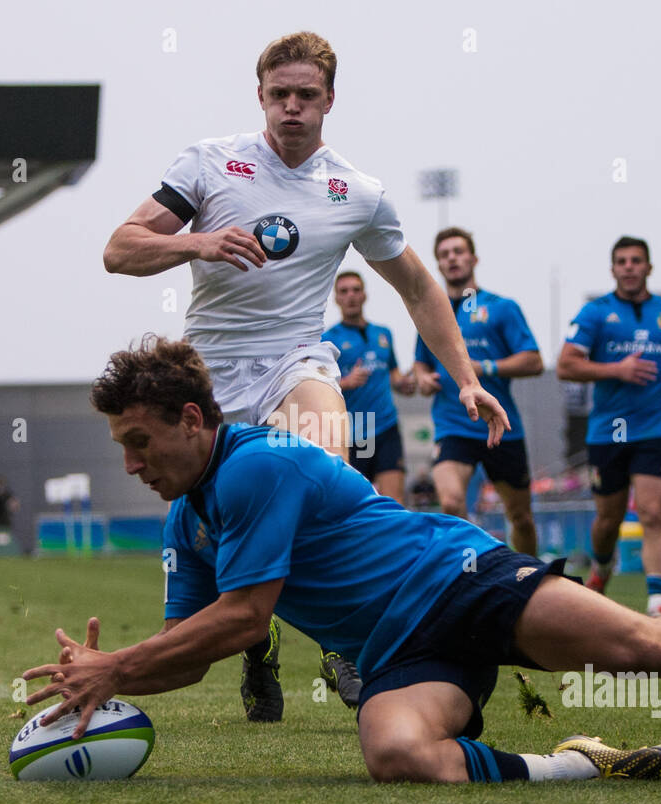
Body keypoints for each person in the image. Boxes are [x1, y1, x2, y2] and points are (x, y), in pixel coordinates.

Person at [20, 337, 661, 786]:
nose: (131, 463)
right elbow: (191, 646)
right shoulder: (186, 519)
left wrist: (119, 666)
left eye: (140, 441)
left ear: (194, 418)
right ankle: (584, 766)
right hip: (402, 655)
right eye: (122, 446)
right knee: (395, 755)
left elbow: (243, 620)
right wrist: (109, 677)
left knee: (643, 651)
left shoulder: (257, 465)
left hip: (458, 581)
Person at [102, 32, 508, 722]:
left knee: (326, 475)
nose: (292, 107)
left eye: (306, 96)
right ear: (260, 95)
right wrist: (196, 240)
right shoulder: (209, 165)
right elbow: (120, 250)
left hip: (297, 359)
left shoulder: (358, 191)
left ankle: (342, 644)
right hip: (205, 376)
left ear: (328, 100)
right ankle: (256, 642)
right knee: (223, 521)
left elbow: (417, 287)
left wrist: (464, 377)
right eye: (279, 94)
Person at [556, 236, 661, 616]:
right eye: (622, 261)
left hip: (657, 426)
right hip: (609, 431)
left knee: (654, 512)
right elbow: (566, 365)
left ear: (648, 267)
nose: (629, 266)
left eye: (636, 260)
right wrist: (616, 370)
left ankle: (658, 603)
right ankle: (603, 566)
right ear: (613, 269)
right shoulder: (595, 313)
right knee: (609, 520)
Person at [412, 227, 543, 555]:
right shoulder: (431, 311)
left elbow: (534, 360)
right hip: (453, 425)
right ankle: (474, 573)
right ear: (438, 265)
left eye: (458, 251)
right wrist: (423, 378)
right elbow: (420, 362)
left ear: (473, 258)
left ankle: (531, 578)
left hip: (500, 424)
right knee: (453, 503)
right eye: (444, 255)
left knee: (521, 517)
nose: (452, 258)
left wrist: (486, 368)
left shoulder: (502, 307)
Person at [321, 271, 416, 502]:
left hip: (386, 428)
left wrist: (404, 383)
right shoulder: (327, 340)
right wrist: (345, 383)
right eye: (344, 291)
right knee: (354, 507)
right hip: (352, 435)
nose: (351, 296)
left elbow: (393, 373)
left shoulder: (384, 334)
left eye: (356, 290)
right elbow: (318, 386)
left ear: (364, 295)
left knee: (394, 506)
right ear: (336, 299)